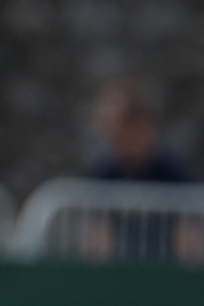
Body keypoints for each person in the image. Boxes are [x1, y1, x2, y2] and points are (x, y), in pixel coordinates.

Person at [84, 78, 197, 262]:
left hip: (164, 266)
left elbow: (189, 231)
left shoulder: (173, 169)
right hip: (121, 268)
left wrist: (189, 276)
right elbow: (99, 231)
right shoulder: (105, 171)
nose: (130, 141)